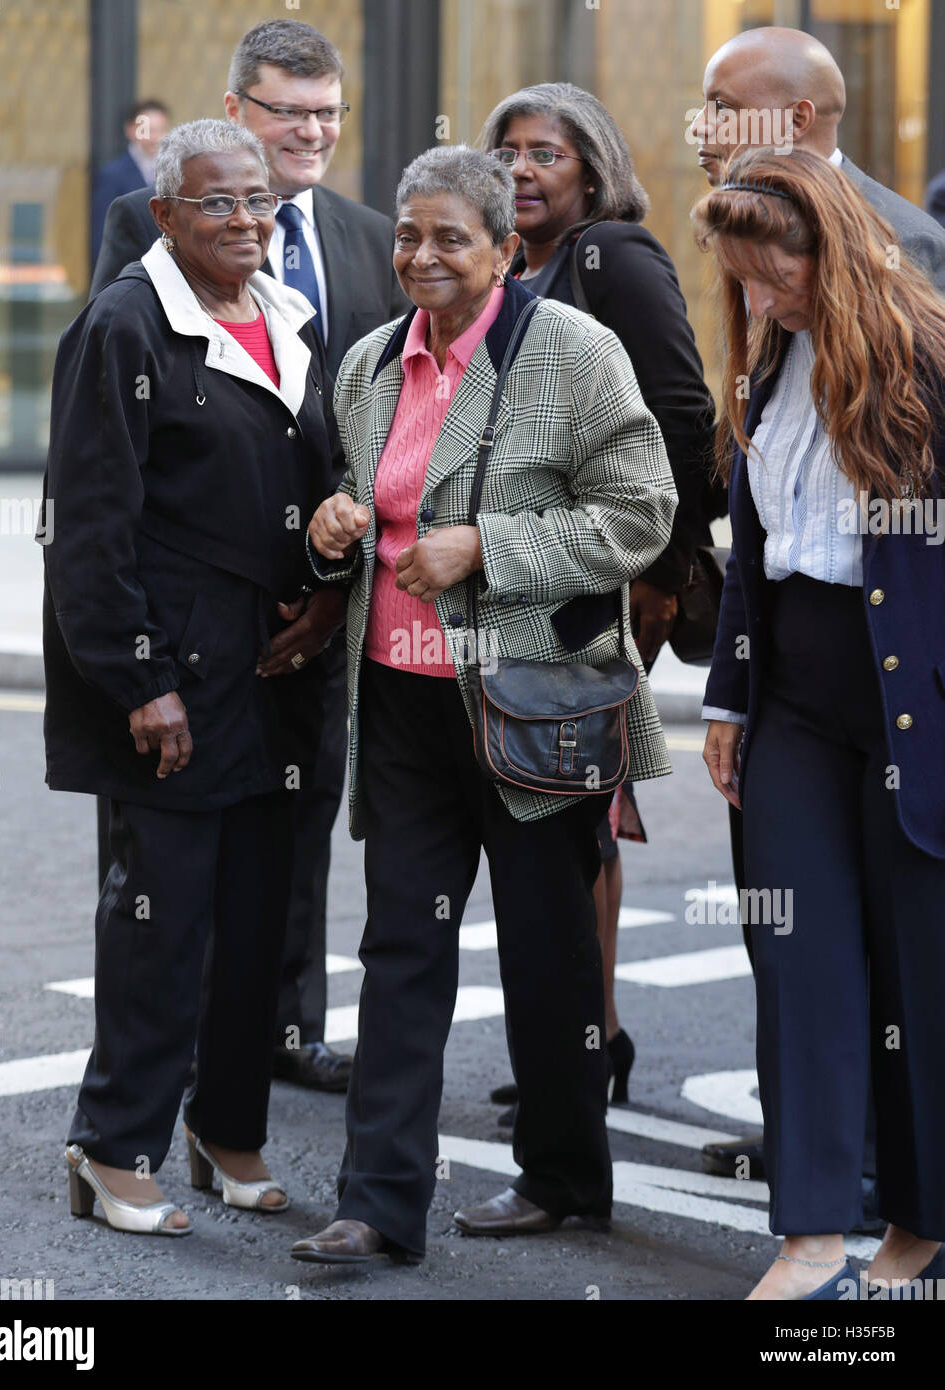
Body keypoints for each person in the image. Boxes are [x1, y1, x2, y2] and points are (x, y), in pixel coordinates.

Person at [289, 145, 677, 1265]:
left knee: (549, 952)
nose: (420, 256)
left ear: (507, 252)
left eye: (450, 237)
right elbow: (364, 508)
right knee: (401, 945)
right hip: (402, 703)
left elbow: (643, 513)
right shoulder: (367, 362)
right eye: (409, 234)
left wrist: (487, 548)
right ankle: (380, 1203)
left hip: (531, 699)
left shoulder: (572, 349)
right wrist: (332, 533)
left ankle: (563, 1176)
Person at [90, 19, 410, 1096]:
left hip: (320, 598)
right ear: (238, 110)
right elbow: (109, 444)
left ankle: (280, 1028)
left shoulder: (373, 240)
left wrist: (333, 588)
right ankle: (165, 1045)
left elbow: (376, 420)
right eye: (289, 112)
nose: (311, 132)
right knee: (170, 843)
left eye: (328, 114)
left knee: (298, 817)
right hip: (190, 609)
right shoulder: (144, 225)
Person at [41, 119, 343, 1235]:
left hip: (276, 675)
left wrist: (324, 596)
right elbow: (89, 529)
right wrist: (138, 681)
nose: (245, 222)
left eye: (259, 202)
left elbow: (319, 489)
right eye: (217, 204)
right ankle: (113, 1144)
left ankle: (229, 1129)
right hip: (170, 672)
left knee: (260, 921)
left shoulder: (289, 318)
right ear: (165, 216)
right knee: (161, 924)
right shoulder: (123, 323)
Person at [690, 23, 945, 1191]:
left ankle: (903, 1199)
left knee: (904, 958)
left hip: (898, 671)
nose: (699, 126)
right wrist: (731, 692)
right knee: (795, 941)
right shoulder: (750, 285)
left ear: (792, 122)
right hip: (789, 670)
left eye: (719, 102)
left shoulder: (911, 255)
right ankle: (813, 1195)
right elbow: (758, 514)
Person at [476, 83, 718, 1125]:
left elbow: (682, 416)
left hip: (606, 587)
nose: (523, 171)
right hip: (539, 581)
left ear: (592, 169)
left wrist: (653, 577)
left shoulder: (610, 258)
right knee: (572, 802)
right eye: (508, 155)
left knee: (573, 806)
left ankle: (583, 1045)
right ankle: (592, 1035)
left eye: (545, 154)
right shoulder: (516, 270)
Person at [90, 100, 170, 267]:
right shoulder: (113, 175)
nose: (156, 137)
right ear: (131, 130)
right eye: (149, 130)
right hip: (130, 271)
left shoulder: (173, 171)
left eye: (161, 130)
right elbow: (103, 235)